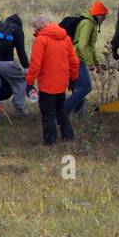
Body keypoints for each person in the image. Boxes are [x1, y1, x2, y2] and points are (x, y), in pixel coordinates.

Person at [26, 14, 80, 145]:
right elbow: (74, 61)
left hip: (47, 84)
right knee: (61, 110)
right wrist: (73, 79)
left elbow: (35, 64)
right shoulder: (65, 38)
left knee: (48, 113)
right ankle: (68, 136)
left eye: (35, 26)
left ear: (41, 26)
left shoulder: (41, 40)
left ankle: (50, 140)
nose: (34, 30)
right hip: (62, 82)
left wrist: (29, 82)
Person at [65, 1, 107, 117]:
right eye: (103, 16)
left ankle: (77, 116)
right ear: (98, 14)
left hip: (77, 58)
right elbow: (82, 45)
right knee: (86, 87)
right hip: (76, 59)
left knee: (79, 88)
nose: (104, 19)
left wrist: (96, 63)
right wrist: (89, 63)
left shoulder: (91, 23)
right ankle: (64, 110)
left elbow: (90, 47)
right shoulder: (88, 24)